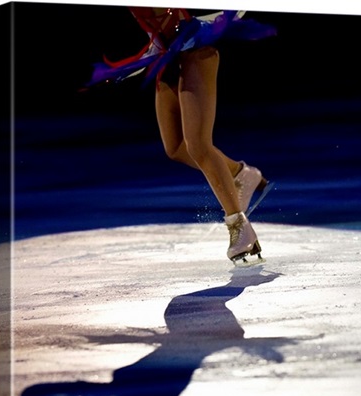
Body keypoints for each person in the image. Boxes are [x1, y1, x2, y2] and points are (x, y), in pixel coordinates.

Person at [86, 8, 276, 263]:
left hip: (194, 50)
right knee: (175, 146)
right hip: (167, 55)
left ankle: (240, 228)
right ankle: (241, 174)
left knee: (198, 145)